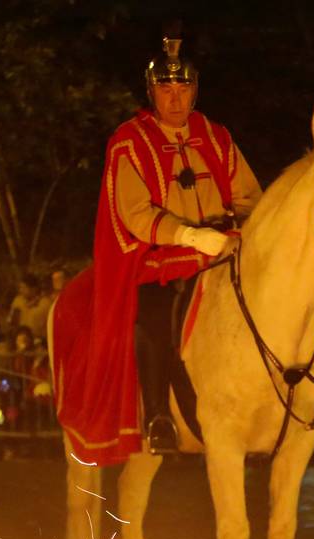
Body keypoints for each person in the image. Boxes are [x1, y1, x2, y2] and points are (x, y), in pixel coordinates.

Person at [51, 29, 261, 463]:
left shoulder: (216, 136)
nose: (176, 98)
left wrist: (236, 226)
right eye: (166, 88)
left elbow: (249, 196)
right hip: (161, 257)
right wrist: (187, 234)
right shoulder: (130, 141)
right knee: (151, 315)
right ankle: (159, 417)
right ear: (152, 91)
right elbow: (135, 214)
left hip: (221, 247)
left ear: (194, 90)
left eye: (183, 87)